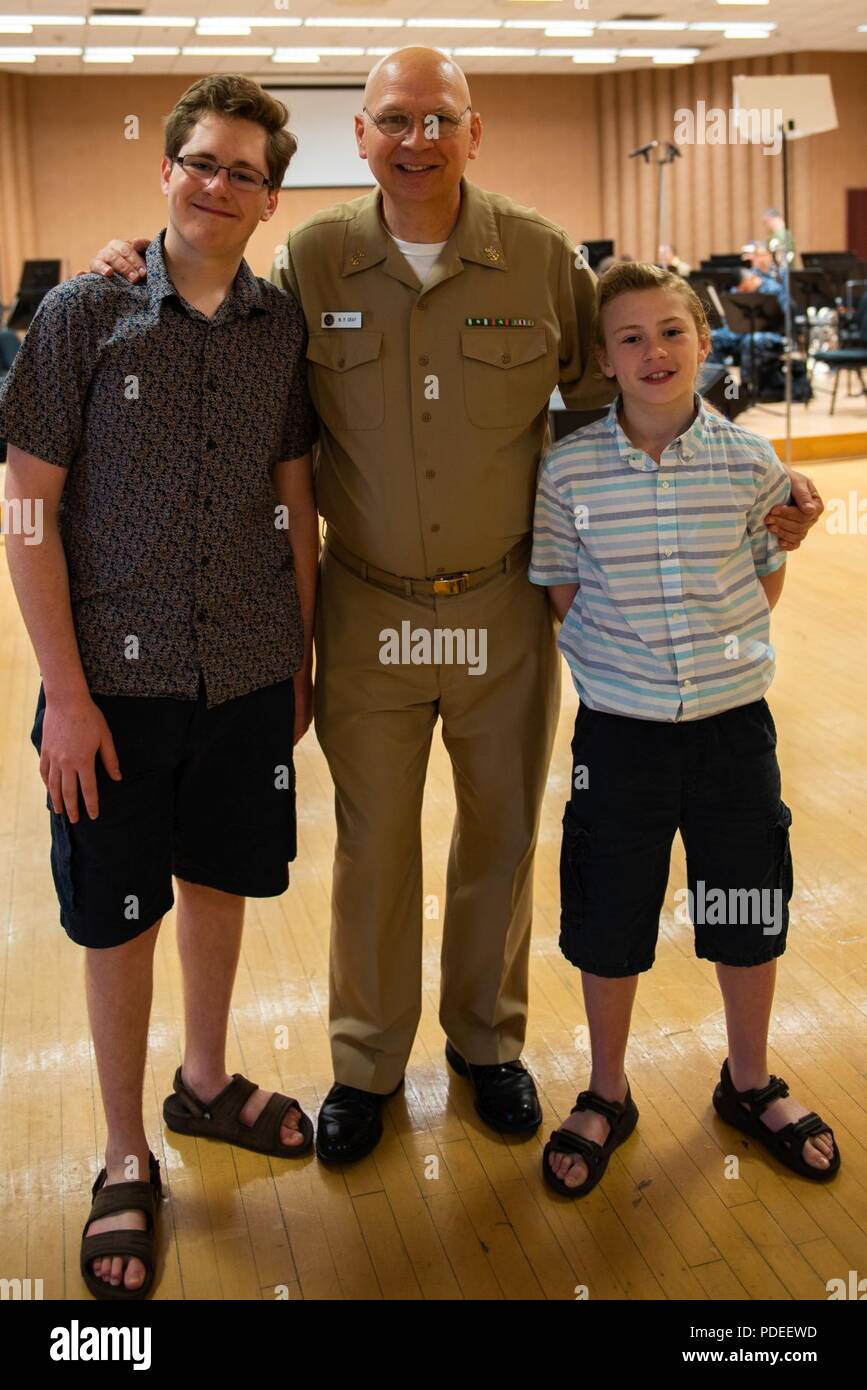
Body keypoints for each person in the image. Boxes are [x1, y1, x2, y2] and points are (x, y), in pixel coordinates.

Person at [86, 47, 825, 1169]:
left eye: (439, 119)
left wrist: (727, 496)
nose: (417, 139)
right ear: (362, 140)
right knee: (373, 843)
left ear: (473, 134)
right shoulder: (313, 261)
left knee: (501, 833)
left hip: (502, 604)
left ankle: (488, 1042)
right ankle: (367, 1062)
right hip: (368, 606)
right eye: (393, 120)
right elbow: (221, 319)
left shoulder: (537, 259)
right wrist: (137, 262)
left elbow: (608, 401)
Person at [0, 75, 319, 1298]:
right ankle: (124, 1148)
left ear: (269, 198)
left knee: (223, 880)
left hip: (242, 671)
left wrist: (298, 651)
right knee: (117, 915)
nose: (217, 184)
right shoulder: (84, 313)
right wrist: (64, 695)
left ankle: (204, 1081)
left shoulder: (278, 327)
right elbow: (27, 507)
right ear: (168, 169)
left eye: (243, 170)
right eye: (201, 160)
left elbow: (295, 498)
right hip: (111, 689)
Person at [529, 262, 840, 1198]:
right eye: (629, 339)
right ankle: (606, 1091)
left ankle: (747, 1082)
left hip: (732, 731)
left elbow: (763, 575)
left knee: (745, 903)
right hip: (618, 737)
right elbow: (559, 589)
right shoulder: (567, 469)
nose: (652, 352)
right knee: (608, 909)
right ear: (601, 361)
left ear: (703, 344)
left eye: (670, 332)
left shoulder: (751, 464)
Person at [710, 265, 787, 385]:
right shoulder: (739, 289)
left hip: (771, 333)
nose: (740, 292)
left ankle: (746, 388)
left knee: (750, 340)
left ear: (750, 280)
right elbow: (732, 317)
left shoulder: (774, 289)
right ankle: (721, 385)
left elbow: (784, 320)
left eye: (743, 288)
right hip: (741, 331)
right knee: (713, 337)